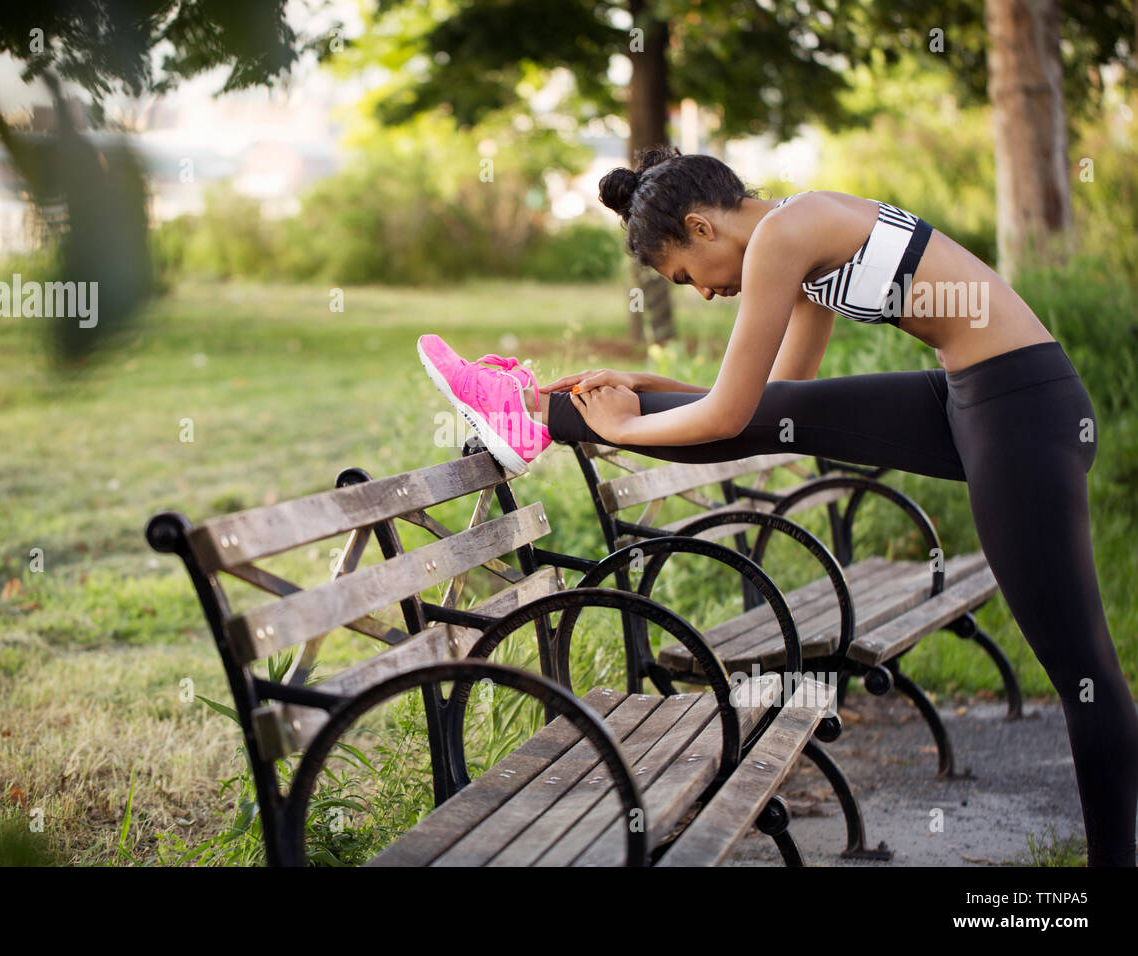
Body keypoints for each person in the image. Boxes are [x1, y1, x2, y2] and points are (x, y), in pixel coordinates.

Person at [414, 145, 1137, 866]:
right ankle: (530, 412)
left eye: (685, 276)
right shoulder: (797, 231)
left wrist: (626, 425)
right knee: (770, 414)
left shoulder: (790, 235)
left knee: (1084, 672)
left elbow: (730, 416)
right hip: (970, 397)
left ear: (701, 228)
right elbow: (773, 407)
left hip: (1020, 411)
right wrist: (642, 388)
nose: (700, 292)